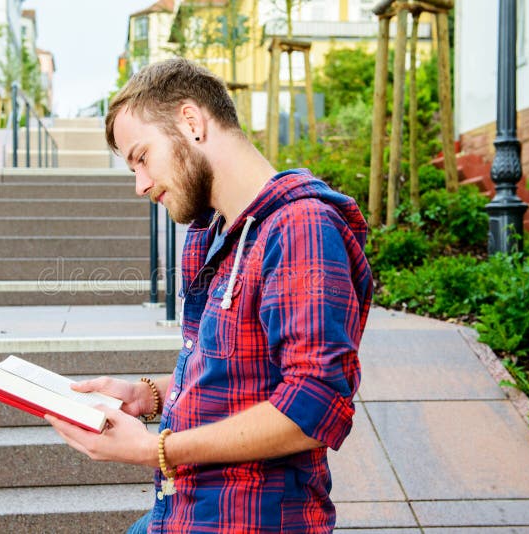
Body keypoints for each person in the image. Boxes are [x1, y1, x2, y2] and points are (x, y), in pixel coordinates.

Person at [46, 58, 373, 533]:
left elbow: (315, 406)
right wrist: (146, 395)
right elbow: (234, 374)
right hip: (183, 512)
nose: (140, 185)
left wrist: (155, 450)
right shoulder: (209, 235)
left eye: (142, 157)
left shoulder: (301, 228)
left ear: (192, 122)